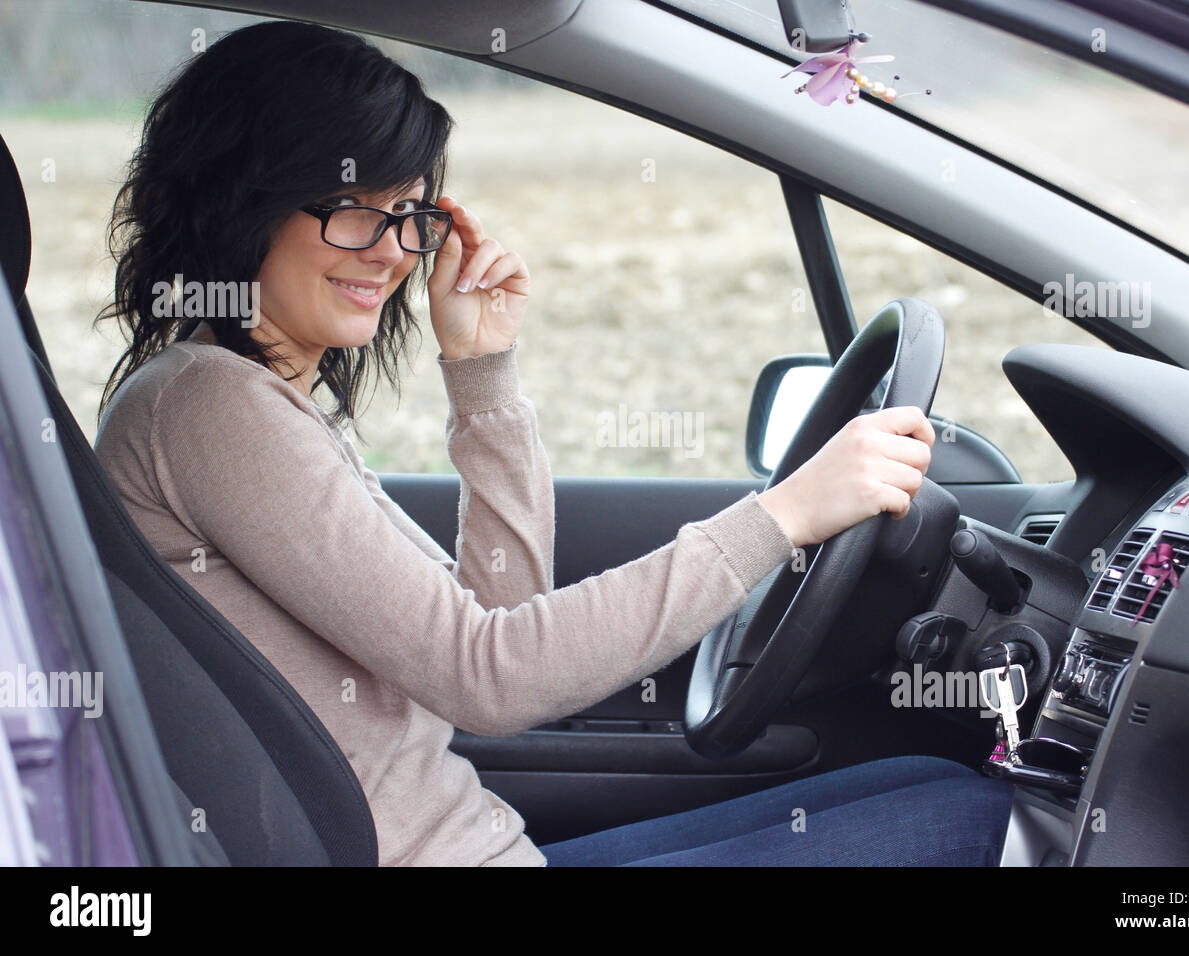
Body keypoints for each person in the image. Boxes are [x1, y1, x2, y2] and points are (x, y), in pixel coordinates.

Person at [93, 20, 1013, 866]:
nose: (391, 251)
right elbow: (493, 679)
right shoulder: (208, 405)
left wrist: (483, 371)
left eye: (409, 214)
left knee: (929, 786)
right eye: (350, 206)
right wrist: (782, 517)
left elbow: (494, 621)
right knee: (973, 826)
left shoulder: (255, 401)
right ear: (240, 199)